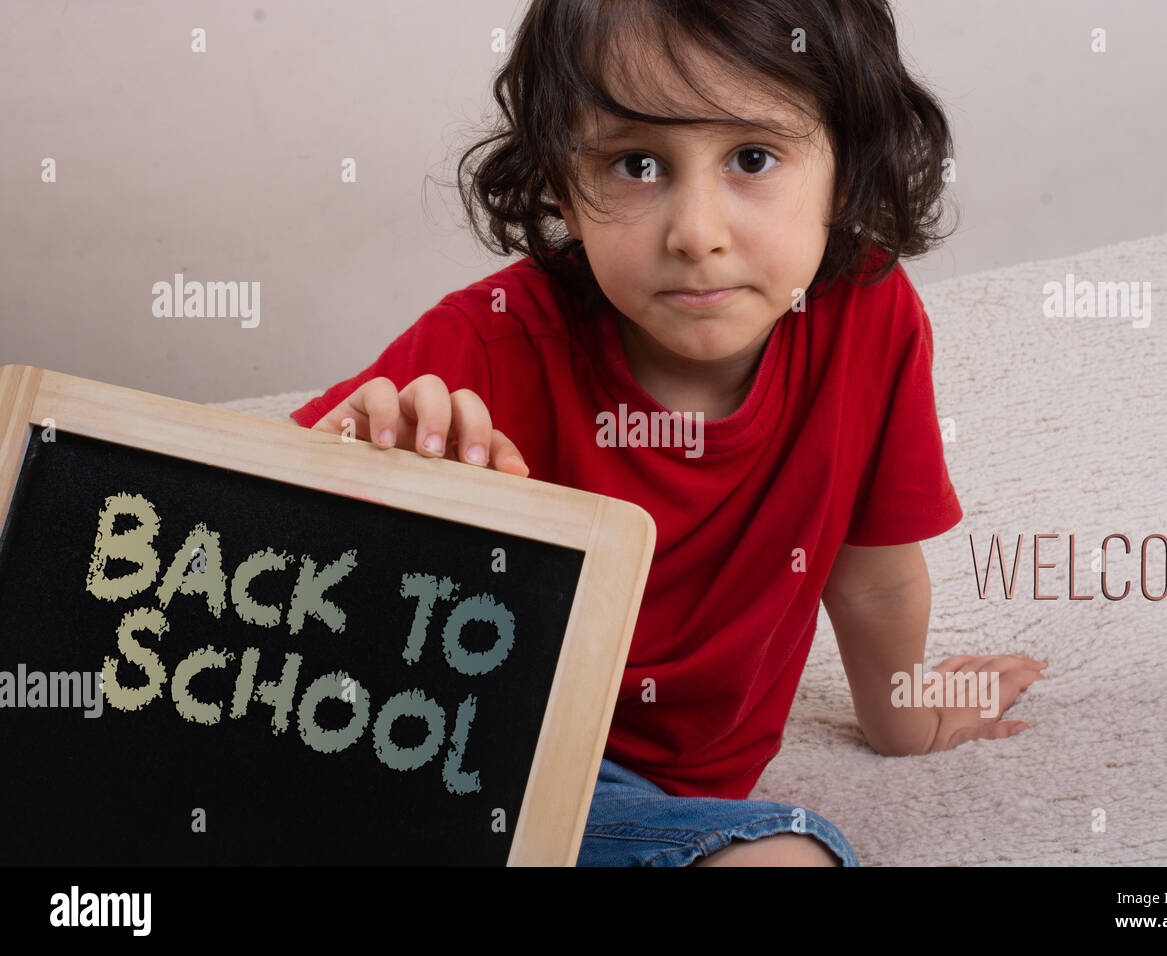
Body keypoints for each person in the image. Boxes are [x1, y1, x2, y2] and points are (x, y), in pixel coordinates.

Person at [290, 0, 1047, 866]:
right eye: (636, 164)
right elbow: (237, 542)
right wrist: (355, 461)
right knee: (789, 855)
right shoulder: (493, 337)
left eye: (752, 158)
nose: (696, 234)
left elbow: (871, 571)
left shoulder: (869, 316)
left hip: (638, 800)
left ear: (845, 173)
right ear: (561, 189)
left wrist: (908, 717)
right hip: (461, 745)